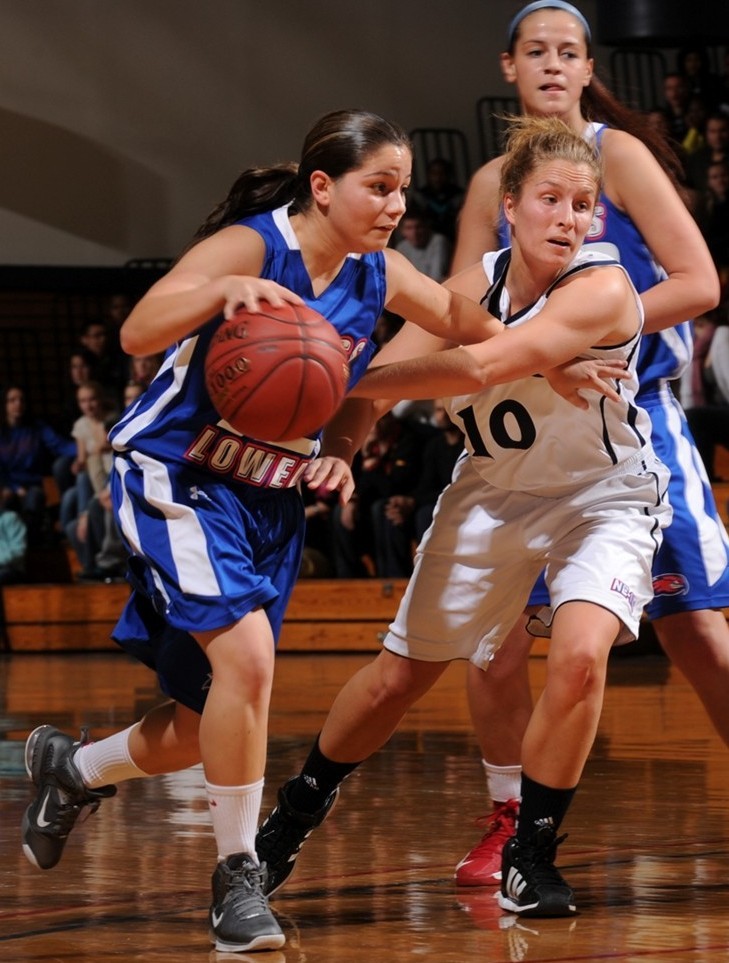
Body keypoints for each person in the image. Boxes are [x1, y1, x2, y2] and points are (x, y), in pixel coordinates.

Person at [19, 108, 525, 955]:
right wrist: (219, 293)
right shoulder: (255, 246)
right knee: (249, 665)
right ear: (321, 188)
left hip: (269, 498)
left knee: (202, 717)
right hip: (178, 474)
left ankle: (71, 770)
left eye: (402, 188)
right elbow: (142, 329)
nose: (397, 202)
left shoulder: (381, 273)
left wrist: (552, 349)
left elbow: (474, 335)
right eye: (379, 185)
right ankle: (237, 878)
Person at [255, 114, 671, 919]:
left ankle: (531, 854)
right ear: (508, 207)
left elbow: (476, 363)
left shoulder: (603, 286)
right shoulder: (466, 286)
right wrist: (341, 438)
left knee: (581, 654)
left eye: (582, 204)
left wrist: (324, 381)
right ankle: (292, 814)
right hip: (491, 493)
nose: (567, 217)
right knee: (395, 681)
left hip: (601, 495)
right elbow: (390, 371)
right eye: (549, 199)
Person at [448, 0, 727, 892]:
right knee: (494, 644)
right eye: (536, 51)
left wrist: (595, 330)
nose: (553, 66)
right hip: (529, 437)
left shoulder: (620, 157)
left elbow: (700, 281)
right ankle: (508, 819)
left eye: (569, 52)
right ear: (509, 68)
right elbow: (456, 299)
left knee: (698, 635)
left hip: (634, 416)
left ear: (584, 66)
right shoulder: (492, 180)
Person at [0, 384, 76, 542]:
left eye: (21, 400)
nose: (17, 404)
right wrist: (13, 487)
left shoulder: (36, 428)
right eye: (12, 400)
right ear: (4, 404)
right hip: (7, 485)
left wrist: (86, 447)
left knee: (34, 499)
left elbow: (60, 445)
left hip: (32, 485)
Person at [394, 206, 452, 282]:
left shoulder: (438, 241)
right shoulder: (402, 247)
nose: (414, 233)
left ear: (426, 227)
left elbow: (437, 277)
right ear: (402, 231)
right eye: (409, 228)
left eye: (418, 227)